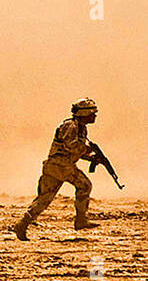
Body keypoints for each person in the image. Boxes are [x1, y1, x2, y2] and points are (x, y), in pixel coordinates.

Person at [15, 98, 101, 240]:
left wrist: (92, 158)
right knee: (85, 186)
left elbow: (71, 150)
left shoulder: (79, 127)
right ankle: (81, 220)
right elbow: (71, 145)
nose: (95, 116)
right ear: (85, 113)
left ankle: (23, 223)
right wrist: (88, 150)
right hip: (62, 166)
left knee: (44, 199)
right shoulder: (71, 126)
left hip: (55, 166)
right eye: (93, 113)